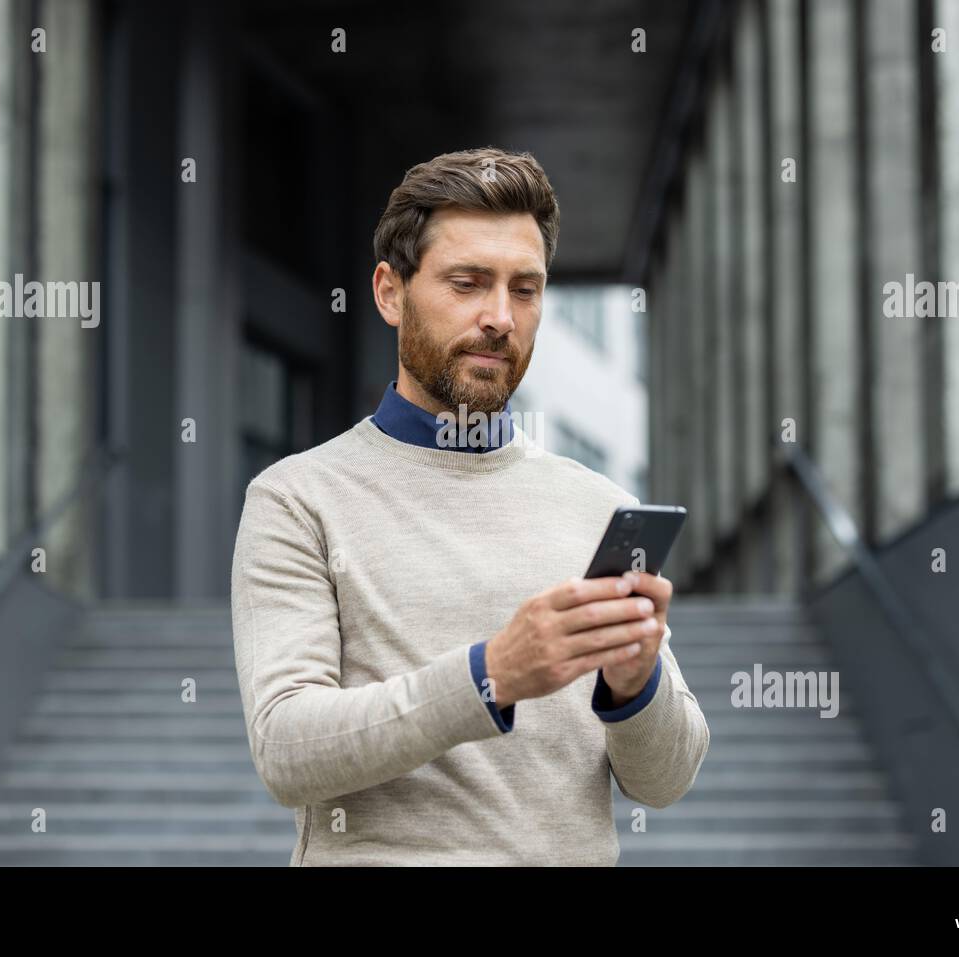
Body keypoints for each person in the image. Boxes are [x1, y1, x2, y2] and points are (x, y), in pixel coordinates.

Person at [230, 146, 709, 866]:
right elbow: (287, 748)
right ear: (390, 293)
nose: (500, 317)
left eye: (525, 288)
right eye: (467, 283)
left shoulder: (600, 505)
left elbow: (665, 780)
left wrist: (634, 682)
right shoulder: (298, 499)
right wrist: (492, 674)